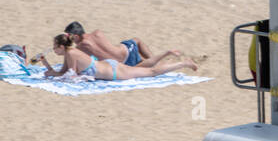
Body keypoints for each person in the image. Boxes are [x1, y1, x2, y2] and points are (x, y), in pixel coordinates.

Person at [40, 34, 196, 82]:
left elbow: (70, 76)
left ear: (62, 47)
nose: (53, 50)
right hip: (109, 67)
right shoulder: (70, 53)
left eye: (55, 47)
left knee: (151, 72)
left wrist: (52, 75)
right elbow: (62, 72)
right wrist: (46, 65)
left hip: (114, 72)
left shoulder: (72, 54)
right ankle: (167, 54)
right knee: (141, 68)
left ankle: (183, 63)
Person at [62, 22, 165, 68]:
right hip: (127, 53)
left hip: (121, 66)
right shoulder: (97, 32)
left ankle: (148, 61)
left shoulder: (79, 48)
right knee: (136, 40)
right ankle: (154, 59)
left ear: (75, 36)